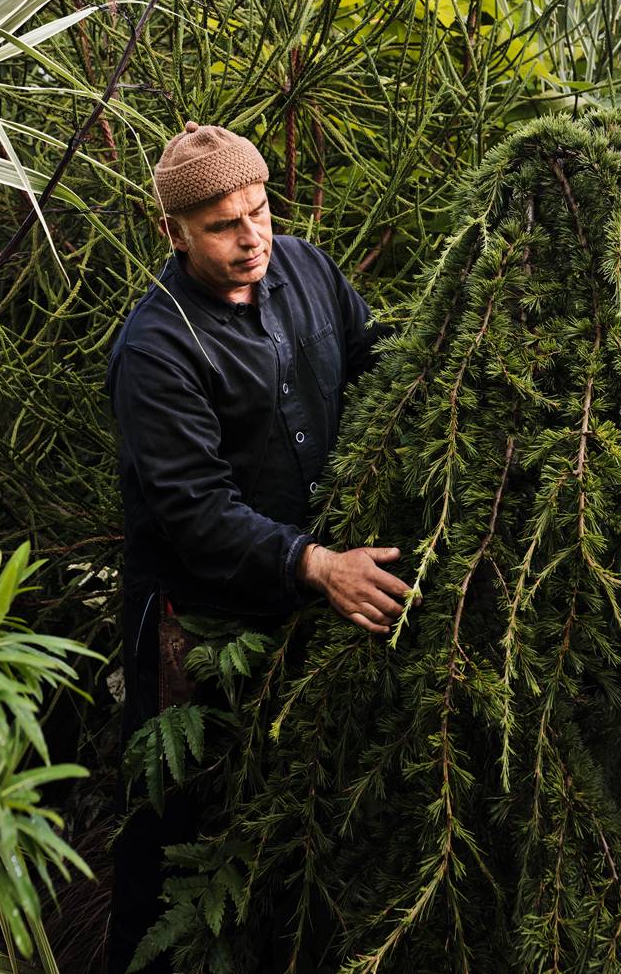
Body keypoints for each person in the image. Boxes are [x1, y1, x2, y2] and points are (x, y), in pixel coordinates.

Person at [105, 120, 412, 974]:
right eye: (223, 225)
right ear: (174, 232)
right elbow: (195, 511)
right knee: (178, 828)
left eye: (260, 209)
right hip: (194, 625)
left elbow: (372, 357)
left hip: (303, 602)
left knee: (289, 813)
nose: (252, 238)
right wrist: (316, 563)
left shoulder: (308, 267)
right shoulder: (156, 348)